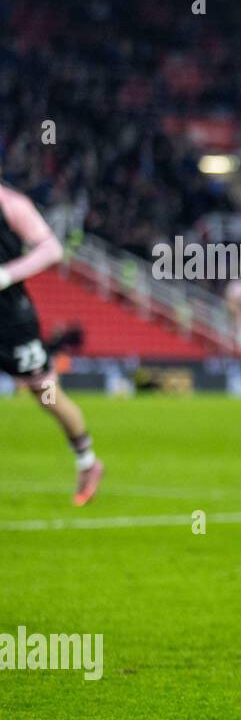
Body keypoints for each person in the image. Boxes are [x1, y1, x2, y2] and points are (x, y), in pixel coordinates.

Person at [0, 182, 103, 505]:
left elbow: (51, 249)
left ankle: (88, 462)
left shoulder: (11, 204)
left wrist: (5, 275)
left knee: (46, 394)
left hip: (10, 319)